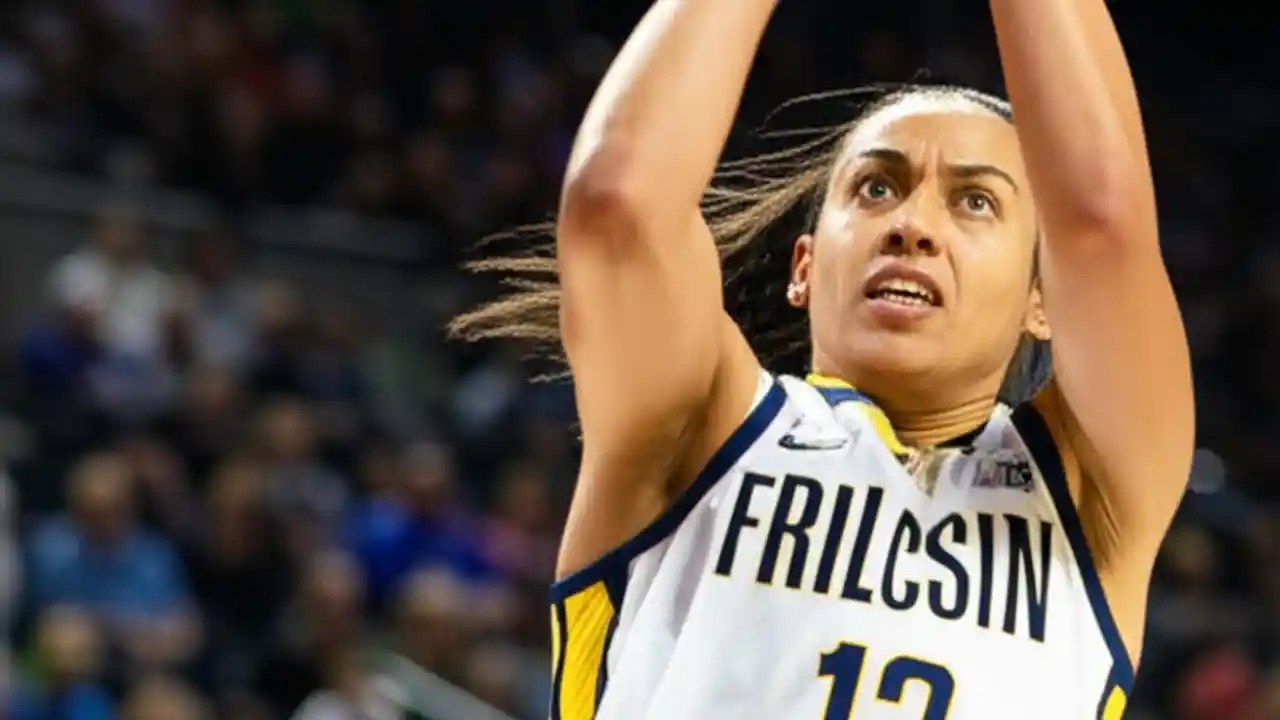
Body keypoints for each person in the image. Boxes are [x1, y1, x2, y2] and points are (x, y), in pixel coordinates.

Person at [453, 0, 1193, 717]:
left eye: (974, 202)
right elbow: (618, 206)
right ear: (803, 267)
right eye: (877, 187)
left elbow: (1102, 223)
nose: (911, 225)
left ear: (1044, 298)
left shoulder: (1089, 492)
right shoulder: (703, 425)